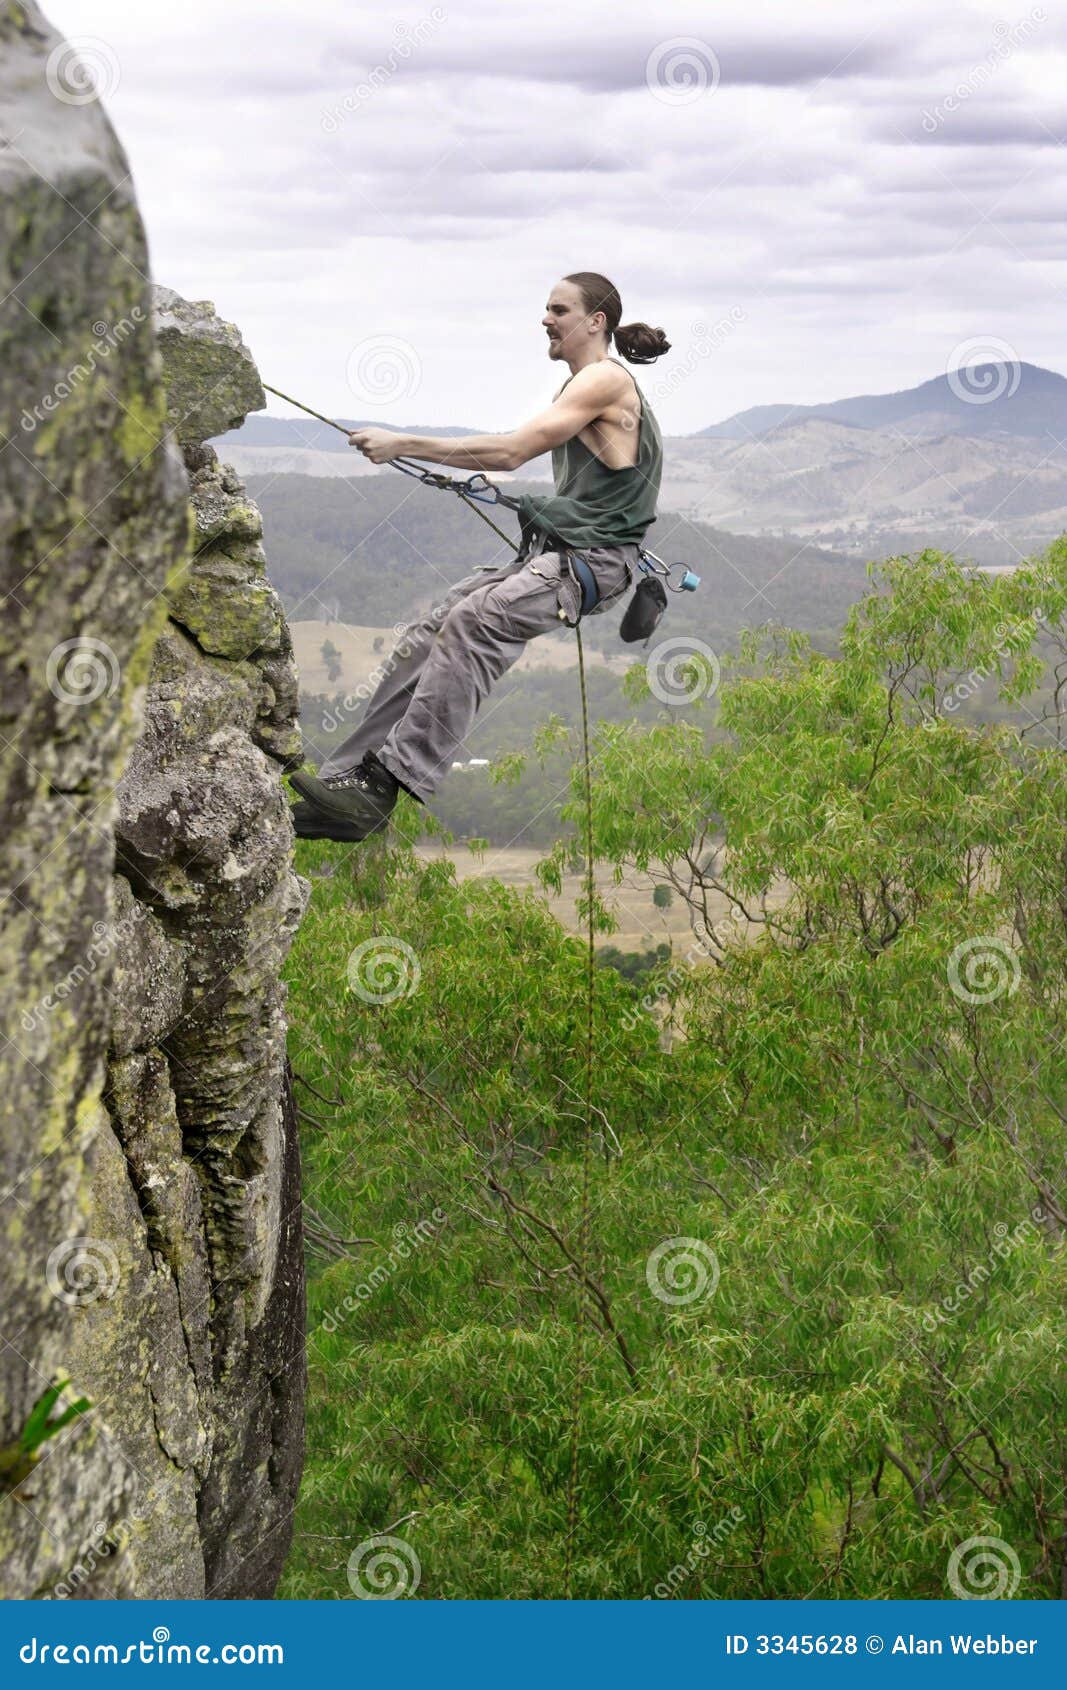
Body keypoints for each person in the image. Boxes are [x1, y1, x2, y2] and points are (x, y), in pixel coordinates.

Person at [290, 272, 669, 841]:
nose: (546, 319)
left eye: (559, 309)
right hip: (567, 553)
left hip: (596, 560)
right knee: (431, 629)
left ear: (596, 322)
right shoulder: (584, 383)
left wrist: (403, 442)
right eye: (546, 308)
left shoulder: (603, 380)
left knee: (475, 621)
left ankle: (387, 783)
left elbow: (512, 452)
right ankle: (345, 785)